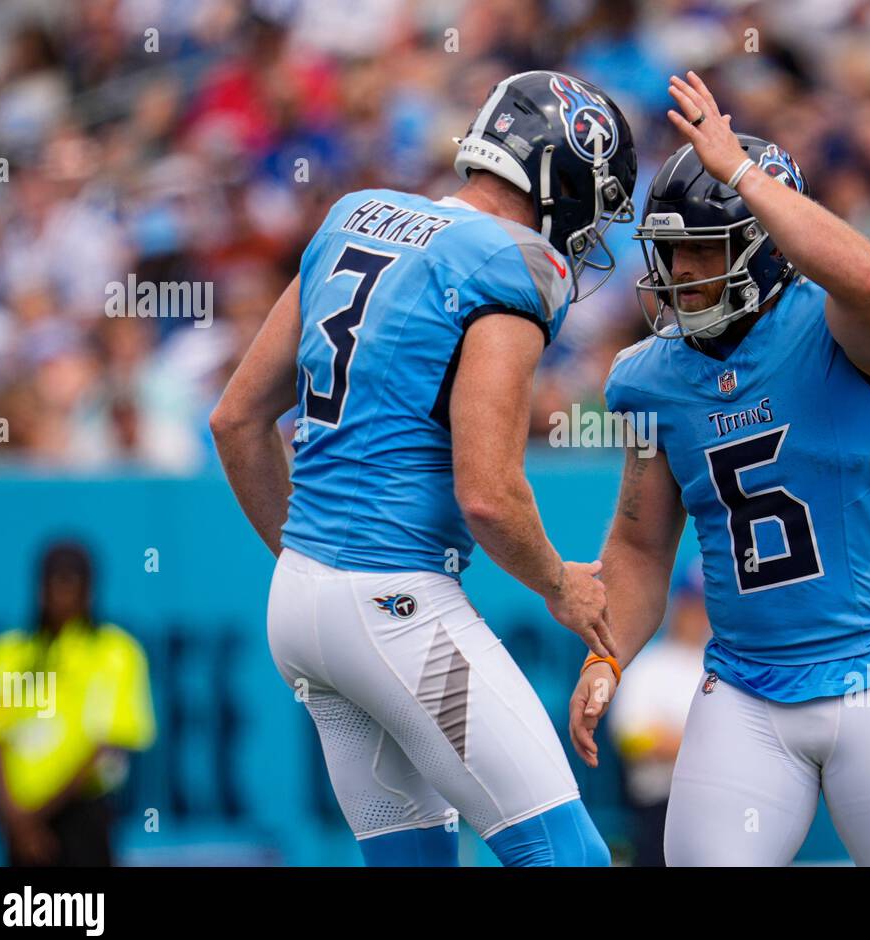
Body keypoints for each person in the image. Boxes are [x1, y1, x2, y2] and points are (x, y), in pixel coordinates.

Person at [211, 71, 637, 867]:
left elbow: (235, 420)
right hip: (400, 608)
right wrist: (560, 584)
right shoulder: (514, 263)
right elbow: (489, 494)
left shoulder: (353, 214)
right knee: (570, 857)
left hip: (298, 601)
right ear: (562, 183)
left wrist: (320, 573)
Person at [568, 71, 870, 866]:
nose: (678, 271)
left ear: (765, 247)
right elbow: (644, 547)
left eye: (699, 249)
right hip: (745, 690)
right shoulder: (652, 376)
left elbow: (869, 282)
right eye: (668, 250)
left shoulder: (841, 328)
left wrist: (743, 174)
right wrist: (607, 653)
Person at [0, 541, 156, 866]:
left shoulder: (117, 652)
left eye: (72, 585)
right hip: (15, 821)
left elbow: (108, 747)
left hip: (84, 813)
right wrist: (16, 822)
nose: (63, 597)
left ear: (90, 590)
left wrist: (35, 818)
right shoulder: (7, 651)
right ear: (40, 588)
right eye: (55, 584)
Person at [607, 561, 710, 867]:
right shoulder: (649, 666)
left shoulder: (726, 668)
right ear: (677, 603)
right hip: (661, 810)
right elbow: (629, 737)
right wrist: (703, 747)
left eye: (706, 604)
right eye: (693, 603)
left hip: (724, 806)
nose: (700, 614)